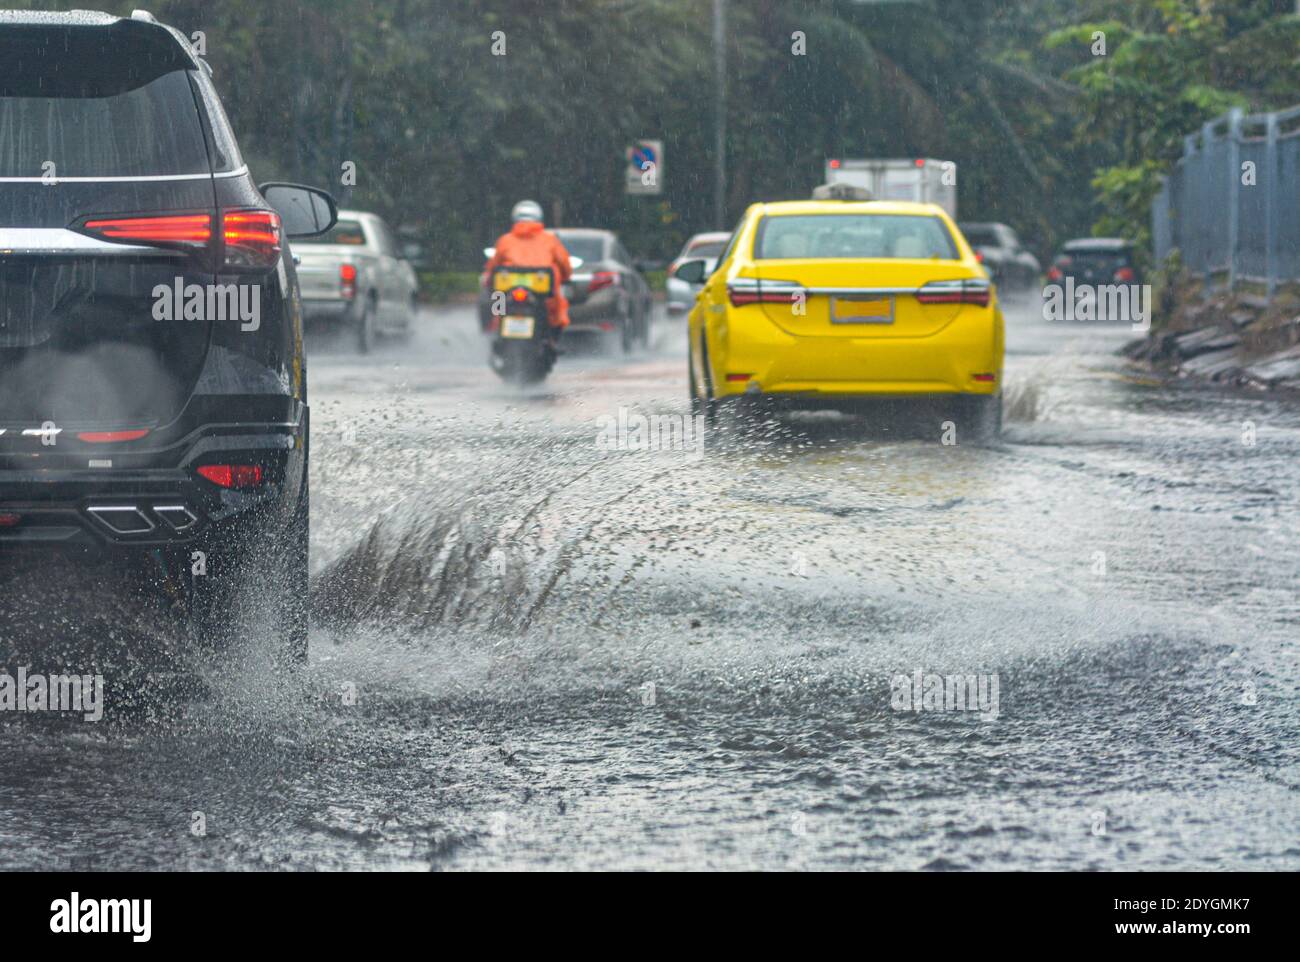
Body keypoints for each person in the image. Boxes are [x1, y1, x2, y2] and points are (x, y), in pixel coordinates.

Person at [484, 200, 572, 341]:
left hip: (507, 290)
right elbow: (564, 264)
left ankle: (497, 329)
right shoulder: (550, 240)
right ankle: (551, 339)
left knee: (497, 298)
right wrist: (566, 276)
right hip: (541, 293)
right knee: (555, 311)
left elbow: (493, 266)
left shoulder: (505, 240)